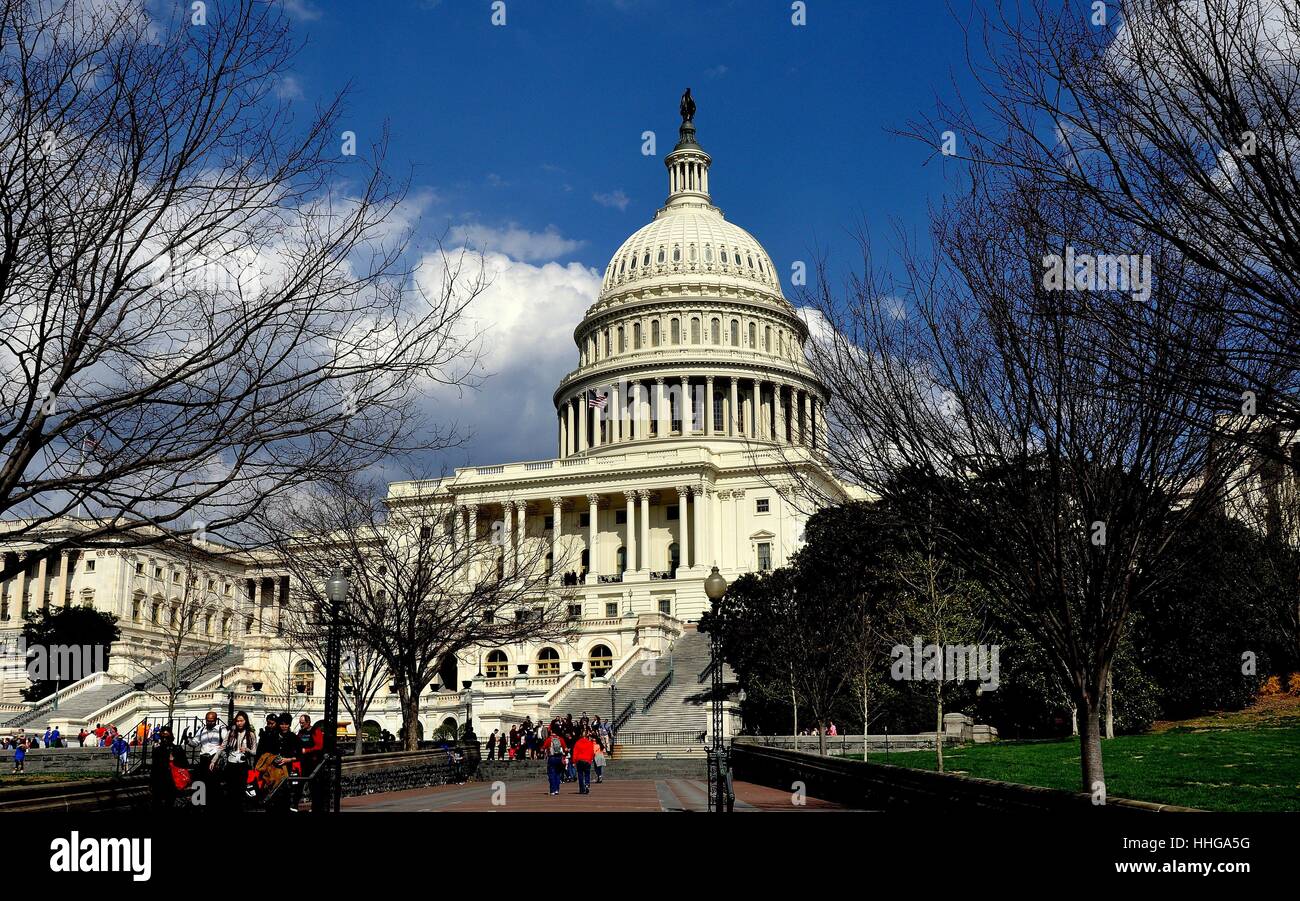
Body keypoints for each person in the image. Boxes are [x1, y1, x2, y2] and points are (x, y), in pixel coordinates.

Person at [255, 713, 300, 812]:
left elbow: (299, 755)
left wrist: (288, 759)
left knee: (284, 796)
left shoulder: (293, 737)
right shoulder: (272, 736)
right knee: (271, 795)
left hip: (286, 769)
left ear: (289, 725)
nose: (284, 726)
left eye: (286, 724)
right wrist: (272, 758)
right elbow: (264, 752)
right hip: (272, 769)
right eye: (282, 724)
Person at [186, 711, 227, 809]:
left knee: (214, 783)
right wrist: (188, 740)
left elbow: (226, 743)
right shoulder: (201, 730)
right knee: (202, 781)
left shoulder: (221, 729)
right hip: (203, 758)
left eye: (212, 721)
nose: (209, 723)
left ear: (216, 720)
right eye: (208, 721)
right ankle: (202, 804)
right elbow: (195, 743)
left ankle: (214, 804)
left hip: (214, 758)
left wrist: (219, 753)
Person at [221, 711, 257, 810]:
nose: (239, 723)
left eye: (241, 721)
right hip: (231, 764)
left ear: (245, 721)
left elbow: (254, 752)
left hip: (243, 765)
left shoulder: (251, 734)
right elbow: (222, 747)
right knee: (230, 789)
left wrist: (247, 750)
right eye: (237, 721)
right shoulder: (231, 733)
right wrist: (213, 761)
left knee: (240, 790)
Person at [149, 726, 188, 810]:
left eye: (167, 737)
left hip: (172, 782)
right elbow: (154, 767)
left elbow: (185, 764)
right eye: (162, 737)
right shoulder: (157, 750)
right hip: (159, 782)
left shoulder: (177, 749)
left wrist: (174, 760)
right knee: (157, 804)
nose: (164, 739)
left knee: (170, 804)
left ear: (171, 737)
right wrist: (151, 783)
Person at [543, 728, 566, 796]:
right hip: (559, 758)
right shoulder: (561, 739)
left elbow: (543, 747)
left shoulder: (549, 739)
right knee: (557, 774)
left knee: (551, 774)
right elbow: (565, 748)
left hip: (552, 758)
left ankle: (552, 790)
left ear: (551, 732)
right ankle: (557, 790)